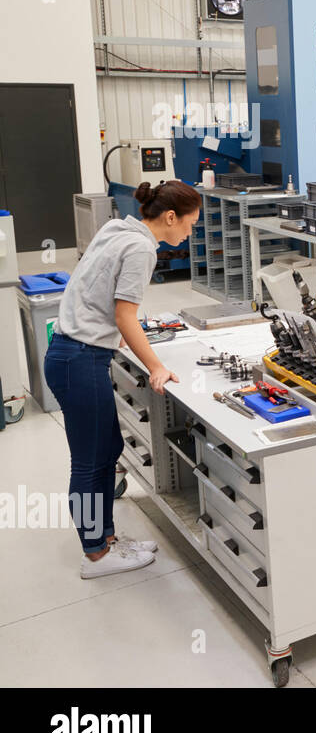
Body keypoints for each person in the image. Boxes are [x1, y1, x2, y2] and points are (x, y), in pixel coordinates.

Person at [45, 180, 200, 578]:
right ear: (170, 217)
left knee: (107, 448)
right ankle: (96, 553)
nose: (190, 232)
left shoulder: (118, 228)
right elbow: (123, 316)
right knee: (90, 461)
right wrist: (157, 367)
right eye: (190, 224)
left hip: (72, 353)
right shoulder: (141, 247)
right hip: (80, 358)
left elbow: (105, 295)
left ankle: (107, 539)